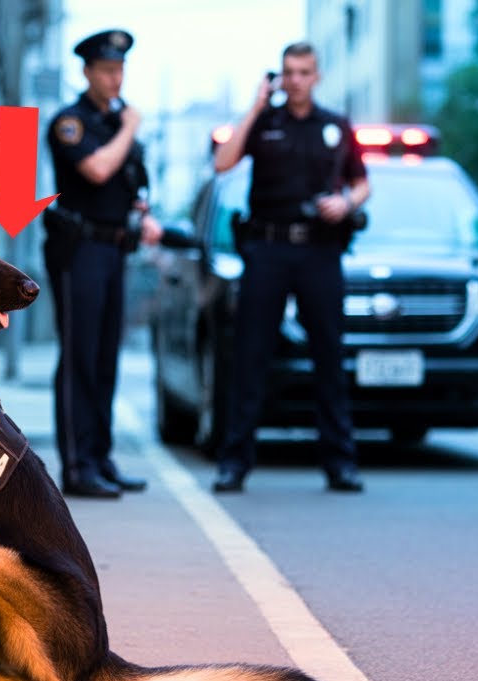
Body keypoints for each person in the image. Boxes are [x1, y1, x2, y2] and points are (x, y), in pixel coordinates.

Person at [209, 42, 370, 495]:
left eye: (304, 72)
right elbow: (223, 163)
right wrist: (257, 104)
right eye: (289, 72)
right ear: (280, 76)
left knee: (329, 359)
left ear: (317, 76)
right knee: (250, 358)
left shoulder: (335, 126)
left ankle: (341, 463)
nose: (296, 79)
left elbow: (362, 184)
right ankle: (234, 463)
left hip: (320, 251)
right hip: (268, 249)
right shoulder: (264, 121)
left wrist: (346, 202)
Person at [43, 29, 163, 498]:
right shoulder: (70, 122)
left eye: (121, 70)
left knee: (107, 356)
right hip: (79, 249)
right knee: (80, 356)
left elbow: (132, 184)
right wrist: (130, 127)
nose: (116, 79)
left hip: (115, 248)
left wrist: (144, 215)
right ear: (88, 71)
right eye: (108, 70)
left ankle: (102, 457)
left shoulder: (117, 124)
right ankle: (77, 464)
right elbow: (96, 170)